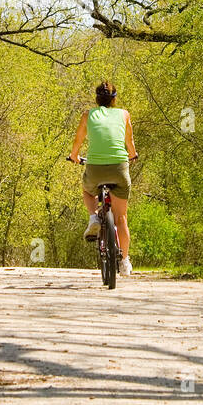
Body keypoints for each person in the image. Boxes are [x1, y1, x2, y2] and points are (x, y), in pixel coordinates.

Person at [67, 80, 138, 276]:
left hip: (95, 167)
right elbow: (129, 141)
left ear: (97, 99)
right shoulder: (124, 115)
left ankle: (93, 218)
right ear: (114, 99)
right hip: (119, 168)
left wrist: (74, 155)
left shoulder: (87, 115)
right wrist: (133, 155)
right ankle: (124, 261)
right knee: (121, 218)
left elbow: (78, 140)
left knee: (87, 190)